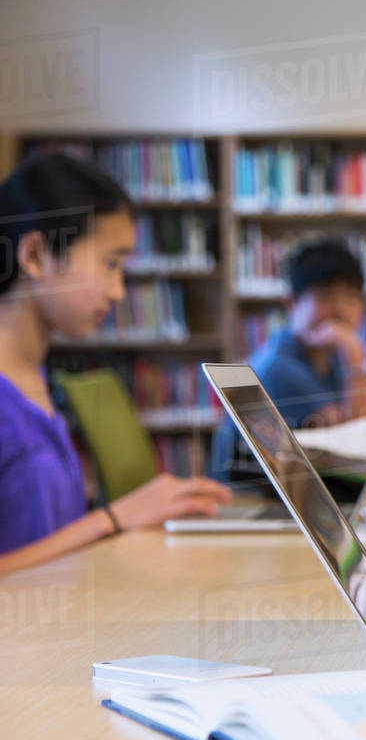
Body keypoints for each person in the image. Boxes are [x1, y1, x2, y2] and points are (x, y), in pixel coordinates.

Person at [0, 153, 231, 574]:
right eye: (110, 264)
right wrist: (113, 519)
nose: (119, 291)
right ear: (34, 256)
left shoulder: (35, 379)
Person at [210, 239, 366, 483]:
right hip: (249, 501)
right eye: (326, 296)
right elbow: (360, 442)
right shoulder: (280, 367)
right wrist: (353, 351)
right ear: (292, 303)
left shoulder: (328, 357)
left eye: (352, 297)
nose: (341, 310)